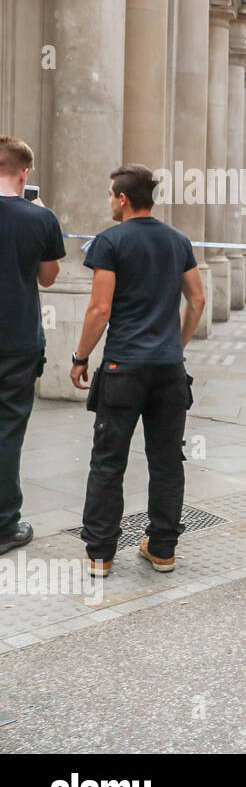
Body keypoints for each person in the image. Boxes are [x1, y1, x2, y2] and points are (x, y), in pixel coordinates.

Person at [71, 164, 206, 577]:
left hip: (122, 367)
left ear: (123, 198)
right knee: (167, 460)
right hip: (167, 370)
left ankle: (100, 554)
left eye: (111, 195)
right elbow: (197, 300)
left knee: (108, 461)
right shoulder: (177, 240)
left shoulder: (109, 242)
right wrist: (176, 347)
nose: (110, 202)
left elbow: (99, 308)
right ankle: (162, 549)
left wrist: (80, 358)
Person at [0, 136, 63, 556]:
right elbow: (49, 277)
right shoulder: (41, 218)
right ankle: (5, 526)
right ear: (25, 174)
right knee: (7, 432)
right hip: (17, 341)